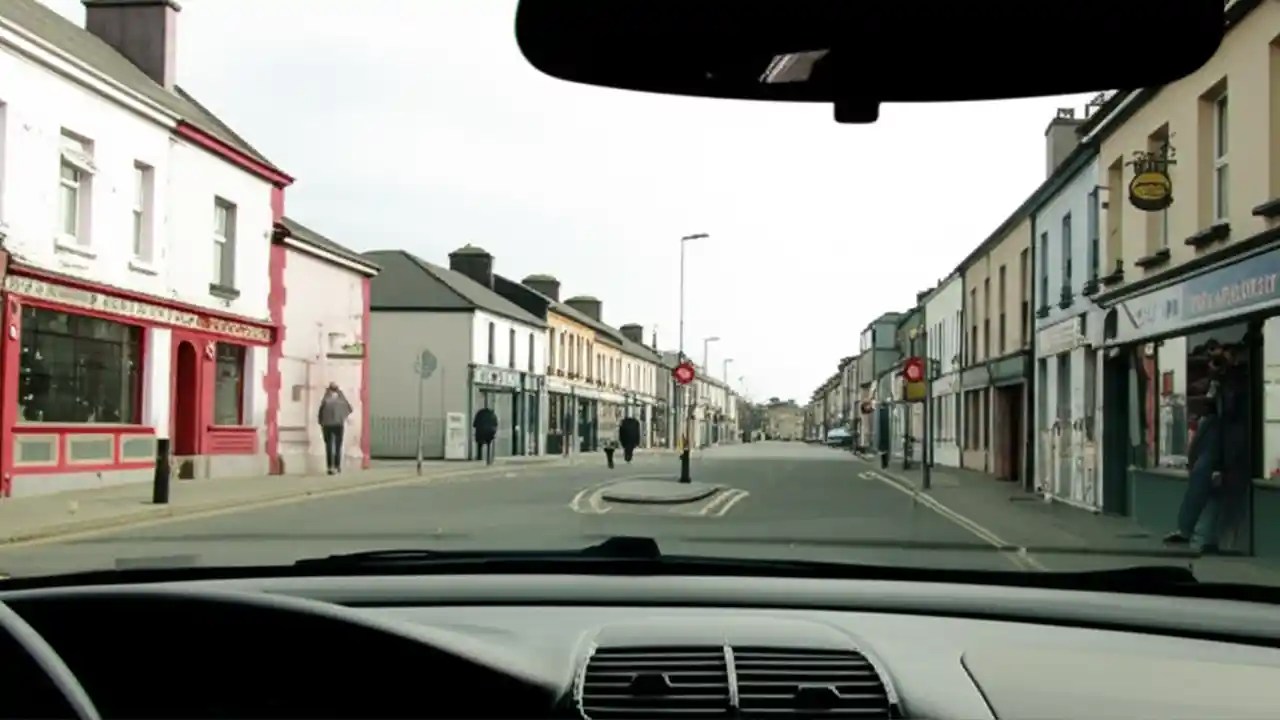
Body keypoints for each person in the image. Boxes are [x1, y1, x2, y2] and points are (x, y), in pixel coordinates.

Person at [317, 382, 353, 475]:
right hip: (338, 424)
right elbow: (349, 409)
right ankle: (337, 466)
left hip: (327, 424)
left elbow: (321, 411)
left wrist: (321, 422)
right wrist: (342, 416)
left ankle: (330, 467)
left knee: (328, 446)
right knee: (338, 446)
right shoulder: (341, 399)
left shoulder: (326, 398)